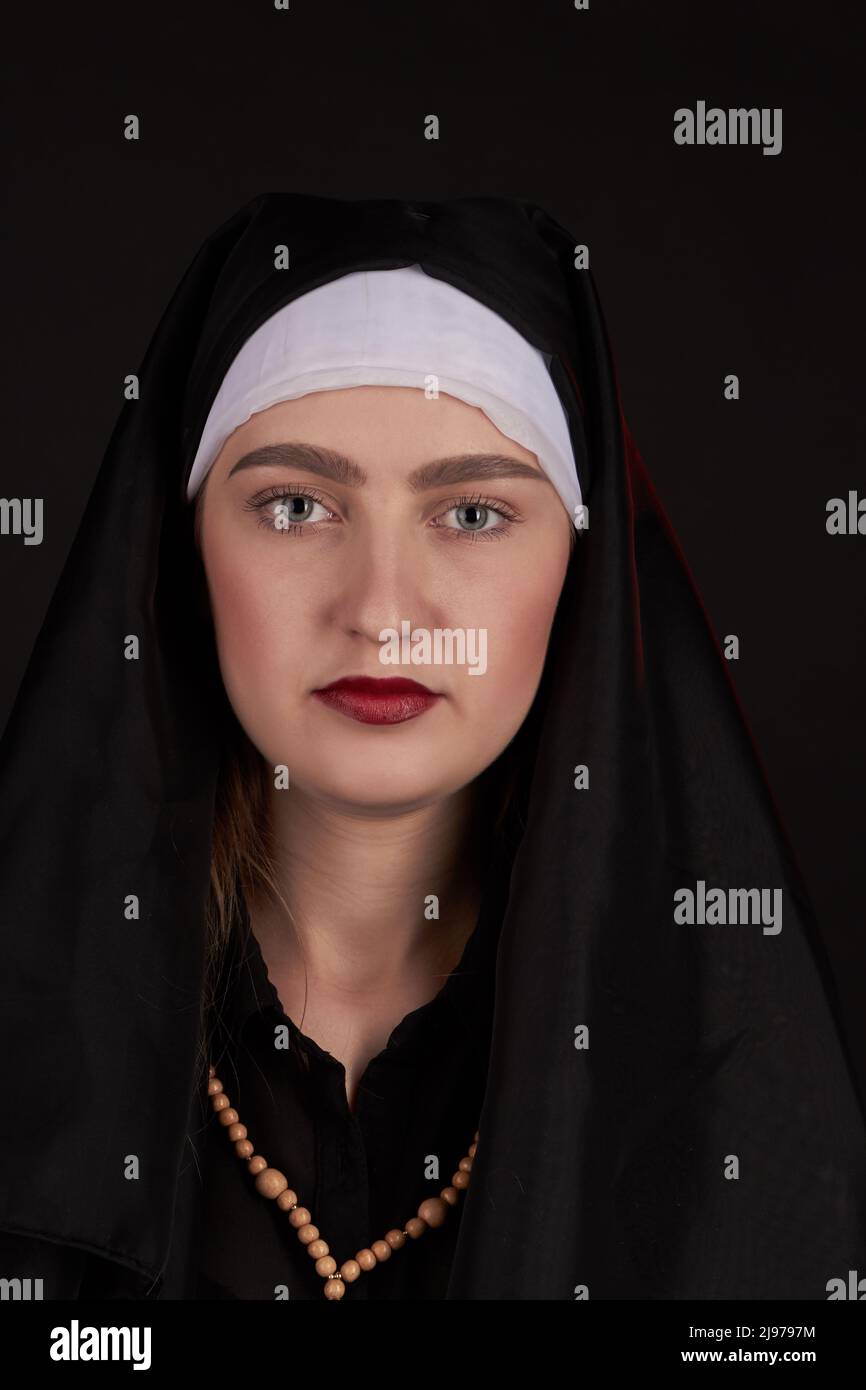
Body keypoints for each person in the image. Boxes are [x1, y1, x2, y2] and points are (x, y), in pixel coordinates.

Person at [0, 191, 864, 1301]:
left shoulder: (725, 1085)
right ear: (182, 545)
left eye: (470, 514)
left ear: (579, 572)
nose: (381, 611)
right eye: (296, 505)